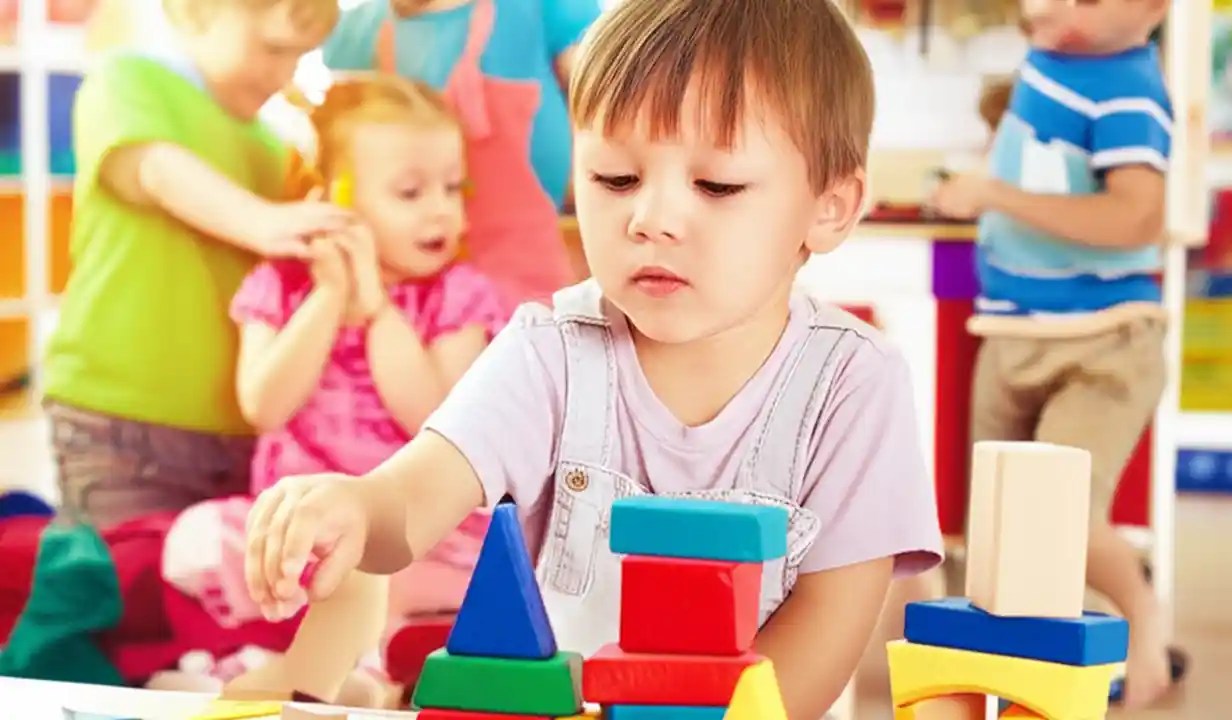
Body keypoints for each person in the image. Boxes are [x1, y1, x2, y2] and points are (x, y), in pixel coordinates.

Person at [244, 1, 944, 718]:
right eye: (615, 179)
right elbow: (415, 496)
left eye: (716, 185)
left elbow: (829, 630)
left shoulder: (855, 382)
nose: (651, 218)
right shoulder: (550, 349)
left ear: (829, 207)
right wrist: (356, 506)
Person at [927, 0, 1184, 710]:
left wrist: (993, 195)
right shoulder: (1053, 54)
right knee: (998, 532)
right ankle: (1009, 680)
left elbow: (1138, 215)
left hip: (1102, 341)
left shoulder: (1128, 90)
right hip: (1011, 332)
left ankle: (1144, 620)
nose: (1048, 5)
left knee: (1057, 518)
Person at [221, 73, 510, 701]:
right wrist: (331, 295)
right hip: (304, 527)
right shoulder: (281, 288)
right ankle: (287, 662)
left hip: (411, 534)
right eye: (410, 191)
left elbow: (435, 414)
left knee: (392, 583)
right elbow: (264, 406)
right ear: (337, 197)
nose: (441, 208)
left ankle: (368, 673)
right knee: (197, 545)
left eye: (452, 187)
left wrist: (377, 309)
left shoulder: (458, 297)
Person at [40, 0, 348, 528]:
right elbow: (156, 170)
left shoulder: (273, 149)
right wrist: (263, 220)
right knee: (118, 586)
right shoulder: (129, 79)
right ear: (193, 11)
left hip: (236, 439)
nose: (284, 75)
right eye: (273, 49)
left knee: (199, 601)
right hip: (119, 424)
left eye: (298, 57)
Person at [320, 0, 602, 306]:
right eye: (409, 191)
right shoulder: (353, 38)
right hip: (409, 297)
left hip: (527, 276)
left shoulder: (537, 8)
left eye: (455, 187)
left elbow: (614, 114)